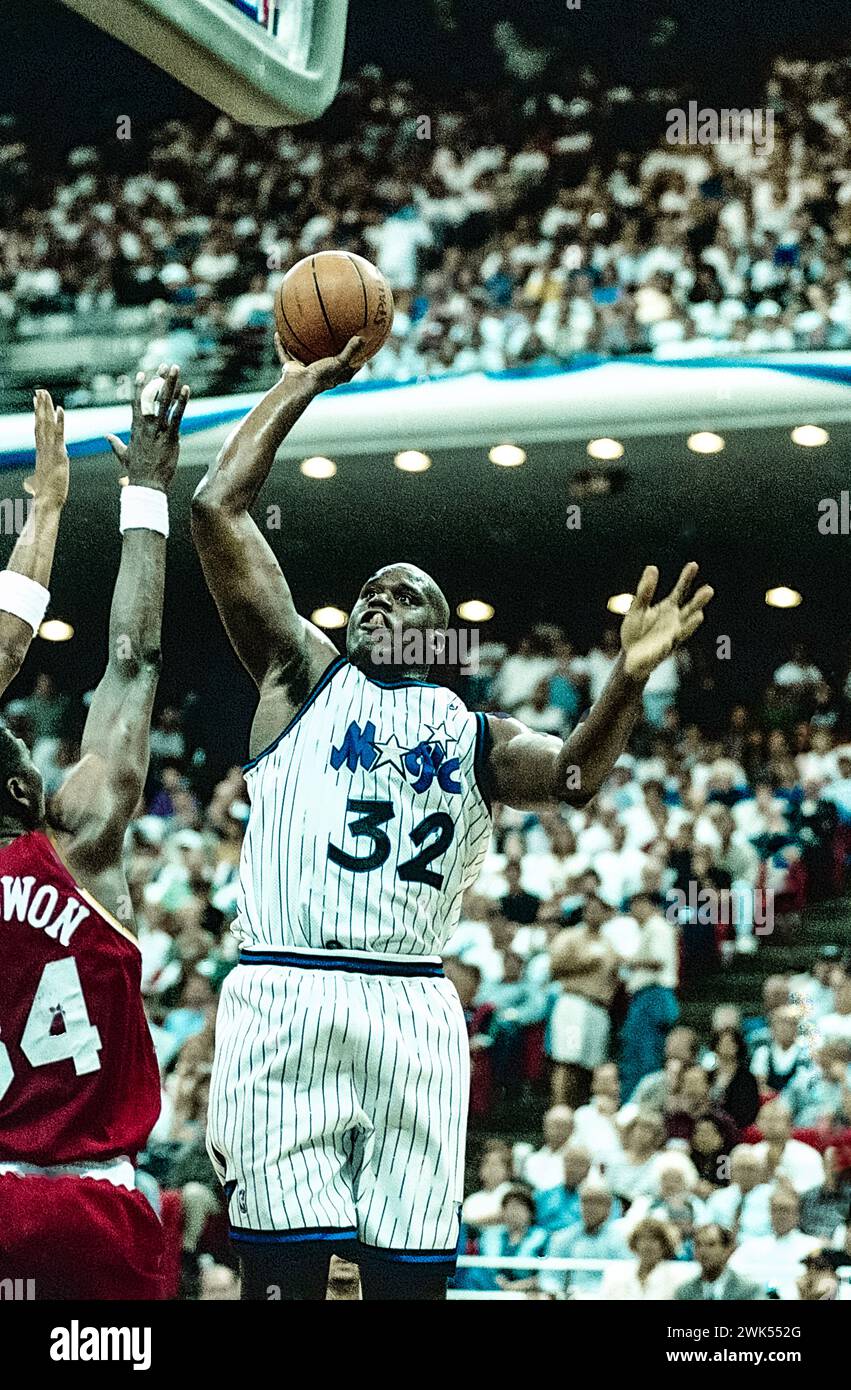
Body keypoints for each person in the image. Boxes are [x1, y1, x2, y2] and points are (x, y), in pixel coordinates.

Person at [193, 330, 713, 1301]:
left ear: (438, 636)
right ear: (344, 622)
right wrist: (296, 382)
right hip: (285, 992)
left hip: (410, 1003)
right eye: (371, 593)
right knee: (282, 1278)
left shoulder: (475, 732)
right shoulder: (297, 673)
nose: (385, 601)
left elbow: (570, 776)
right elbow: (214, 504)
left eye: (410, 597)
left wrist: (628, 679)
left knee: (406, 1284)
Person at [0, 368, 190, 1299]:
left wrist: (41, 517)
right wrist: (144, 489)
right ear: (18, 787)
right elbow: (134, 660)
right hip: (91, 1212)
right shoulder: (79, 841)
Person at [597, 1216, 684, 1300]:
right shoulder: (617, 1273)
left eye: (654, 1240)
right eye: (643, 1239)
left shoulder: (675, 1278)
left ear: (664, 1245)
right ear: (634, 1243)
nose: (647, 1245)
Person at [675, 1224, 764, 1300]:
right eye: (698, 1245)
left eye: (711, 1244)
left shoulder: (748, 1290)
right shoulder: (684, 1292)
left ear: (727, 1250)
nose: (703, 1251)